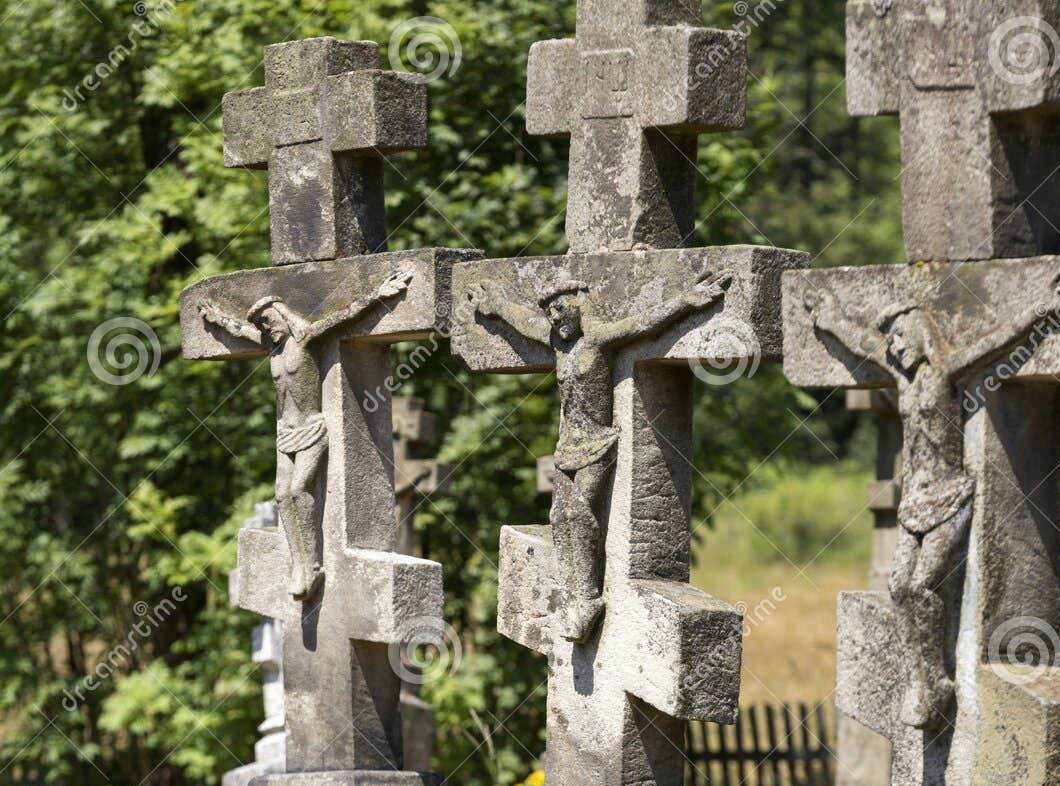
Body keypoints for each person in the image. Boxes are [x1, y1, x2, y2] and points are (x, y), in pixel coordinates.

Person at [805, 266, 1060, 728]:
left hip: (950, 496)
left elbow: (997, 341)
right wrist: (830, 317)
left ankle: (935, 680)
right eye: (891, 338)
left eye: (899, 335)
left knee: (920, 585)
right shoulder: (900, 379)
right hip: (914, 502)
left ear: (918, 332)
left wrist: (1045, 308)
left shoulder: (946, 371)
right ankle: (927, 676)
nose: (893, 345)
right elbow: (860, 344)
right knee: (899, 587)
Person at [465, 268, 730, 641]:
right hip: (567, 447)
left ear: (577, 305)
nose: (553, 319)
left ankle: (588, 598)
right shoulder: (558, 343)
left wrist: (685, 300)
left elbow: (642, 325)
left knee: (580, 511)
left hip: (598, 443)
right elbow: (524, 323)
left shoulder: (598, 340)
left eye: (559, 310)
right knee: (559, 516)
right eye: (549, 313)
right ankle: (575, 597)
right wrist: (498, 307)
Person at [199, 267, 413, 601]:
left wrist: (378, 295)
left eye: (270, 321)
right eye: (263, 326)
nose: (266, 329)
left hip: (313, 429)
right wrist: (215, 317)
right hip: (286, 433)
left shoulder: (307, 338)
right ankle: (300, 564)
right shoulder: (270, 348)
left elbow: (346, 316)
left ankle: (312, 564)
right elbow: (237, 330)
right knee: (282, 496)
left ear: (283, 315)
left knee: (299, 489)